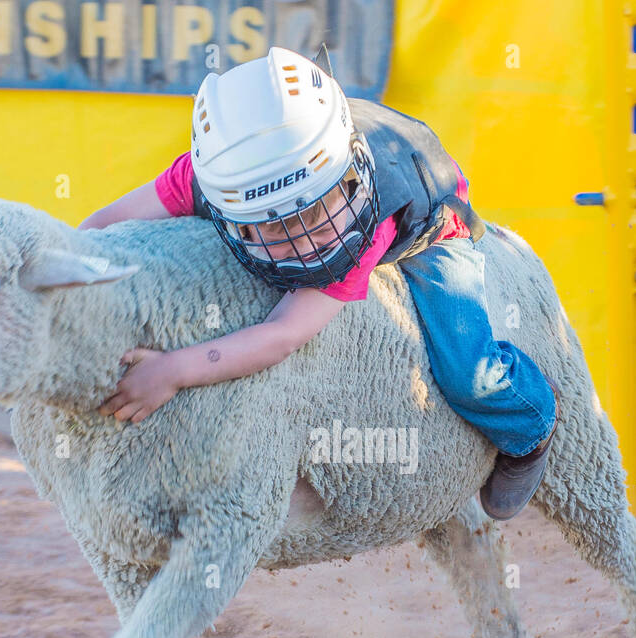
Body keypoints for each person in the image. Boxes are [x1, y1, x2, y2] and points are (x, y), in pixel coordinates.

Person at [79, 46, 558, 520]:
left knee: (467, 371)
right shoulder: (218, 177)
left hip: (431, 220)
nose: (304, 243)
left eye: (313, 213)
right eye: (272, 228)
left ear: (350, 180)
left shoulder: (365, 215)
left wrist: (173, 371)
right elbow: (105, 225)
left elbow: (283, 335)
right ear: (229, 209)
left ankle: (529, 426)